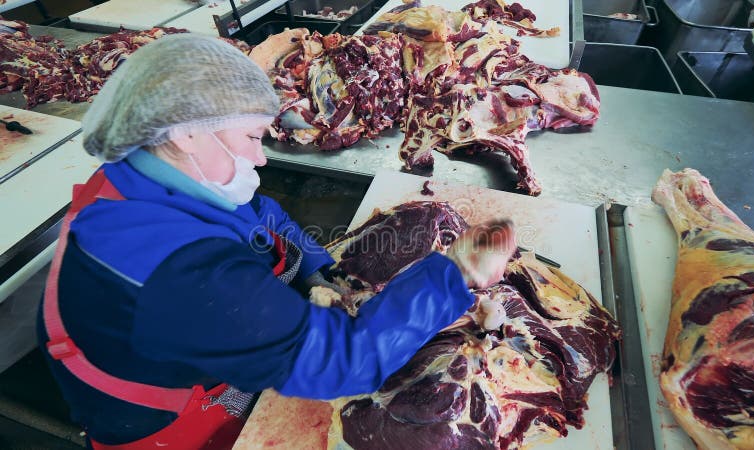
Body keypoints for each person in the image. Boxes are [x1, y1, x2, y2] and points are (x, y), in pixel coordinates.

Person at [37, 34, 516, 450]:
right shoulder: (185, 278)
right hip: (167, 432)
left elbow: (260, 215)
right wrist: (457, 271)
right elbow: (344, 361)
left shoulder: (143, 176)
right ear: (185, 133)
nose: (261, 158)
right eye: (249, 136)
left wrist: (317, 266)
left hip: (191, 364)